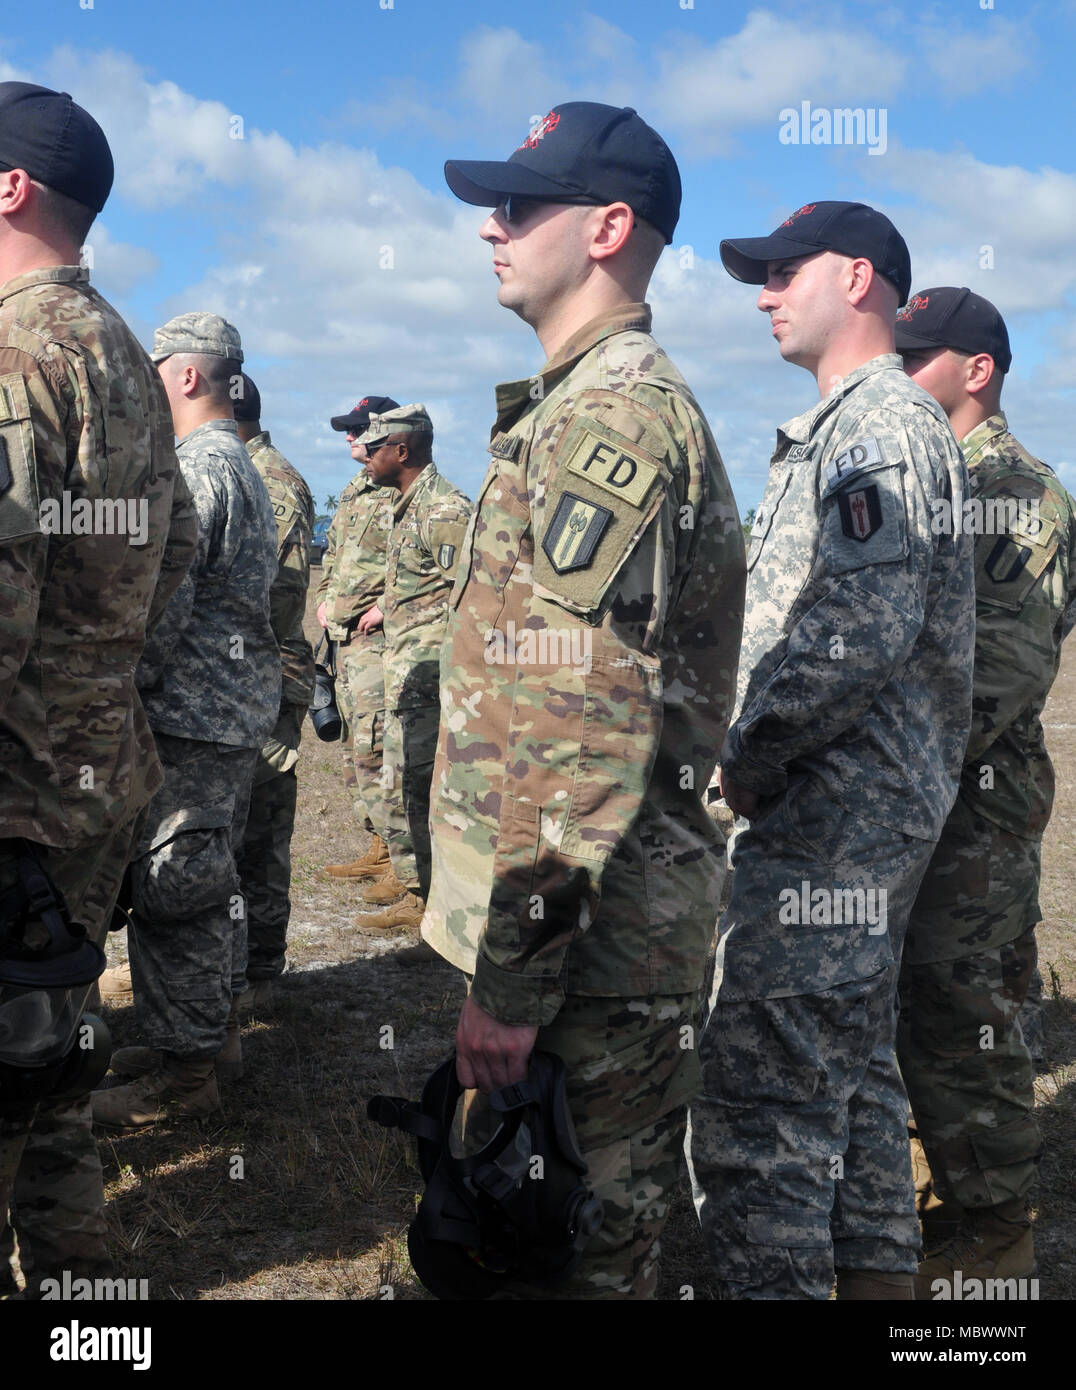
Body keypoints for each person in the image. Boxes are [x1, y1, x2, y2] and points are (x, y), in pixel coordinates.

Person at [425, 101, 746, 1298]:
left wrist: (511, 980)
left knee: (587, 1254)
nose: (488, 230)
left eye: (516, 206)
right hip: (590, 941)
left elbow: (578, 728)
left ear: (607, 227)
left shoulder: (611, 418)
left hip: (596, 953)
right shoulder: (574, 406)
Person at [687, 201, 976, 1300]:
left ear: (856, 278)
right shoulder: (877, 426)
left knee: (760, 1123)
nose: (762, 294)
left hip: (825, 824)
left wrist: (745, 756)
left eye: (780, 271)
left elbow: (854, 634)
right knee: (847, 1093)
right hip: (858, 822)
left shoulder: (871, 430)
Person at [0, 82, 196, 1292]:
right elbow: (165, 564)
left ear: (8, 187)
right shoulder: (122, 350)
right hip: (94, 771)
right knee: (53, 1065)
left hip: (12, 791)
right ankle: (79, 1297)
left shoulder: (18, 354)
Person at [894, 287, 1076, 1294]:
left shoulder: (1008, 489)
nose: (897, 372)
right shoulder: (935, 481)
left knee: (965, 1012)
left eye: (916, 356)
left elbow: (994, 684)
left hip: (969, 812)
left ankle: (996, 1235)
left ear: (976, 369)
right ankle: (941, 1198)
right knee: (915, 1012)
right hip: (915, 802)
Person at [91, 313, 280, 1127]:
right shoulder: (234, 461)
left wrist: (119, 686)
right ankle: (203, 1039)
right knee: (202, 882)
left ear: (189, 376)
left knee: (176, 887)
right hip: (221, 712)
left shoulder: (198, 468)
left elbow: (167, 603)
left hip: (191, 713)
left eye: (156, 368)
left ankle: (186, 1074)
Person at [354, 404, 471, 930]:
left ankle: (434, 904)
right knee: (404, 785)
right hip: (409, 674)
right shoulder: (406, 505)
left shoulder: (444, 511)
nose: (365, 456)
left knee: (428, 791)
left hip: (433, 679)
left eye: (374, 447)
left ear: (402, 451)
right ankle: (417, 889)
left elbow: (469, 595)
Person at [233, 374, 315, 1005]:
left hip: (264, 674)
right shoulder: (234, 469)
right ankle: (228, 973)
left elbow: (278, 600)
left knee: (259, 834)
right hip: (238, 674)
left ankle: (259, 973)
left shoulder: (273, 484)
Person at [317, 395, 398, 881]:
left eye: (356, 429)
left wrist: (385, 606)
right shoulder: (353, 491)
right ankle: (378, 844)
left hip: (380, 645)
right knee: (354, 749)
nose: (349, 437)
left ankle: (402, 862)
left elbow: (419, 560)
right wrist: (324, 597)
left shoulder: (400, 490)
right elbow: (333, 556)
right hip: (343, 642)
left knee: (381, 748)